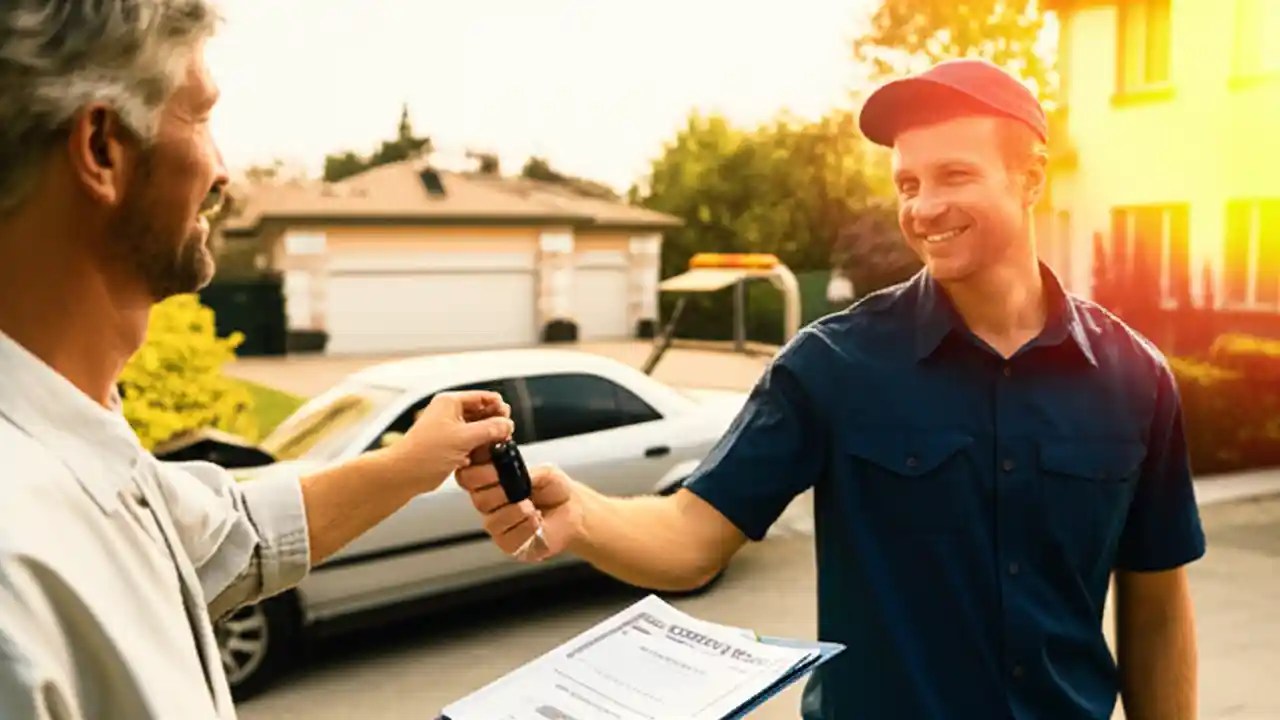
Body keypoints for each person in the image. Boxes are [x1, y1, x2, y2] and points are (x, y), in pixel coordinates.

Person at [459, 58, 1205, 720]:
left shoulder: (1135, 379)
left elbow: (1157, 608)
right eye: (908, 183)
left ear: (1032, 177)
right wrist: (579, 515)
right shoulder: (833, 365)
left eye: (954, 176)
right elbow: (690, 540)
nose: (922, 208)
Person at [0, 2, 514, 718]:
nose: (223, 171)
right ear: (103, 147)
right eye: (202, 116)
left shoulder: (76, 448)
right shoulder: (16, 569)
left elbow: (231, 535)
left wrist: (411, 462)